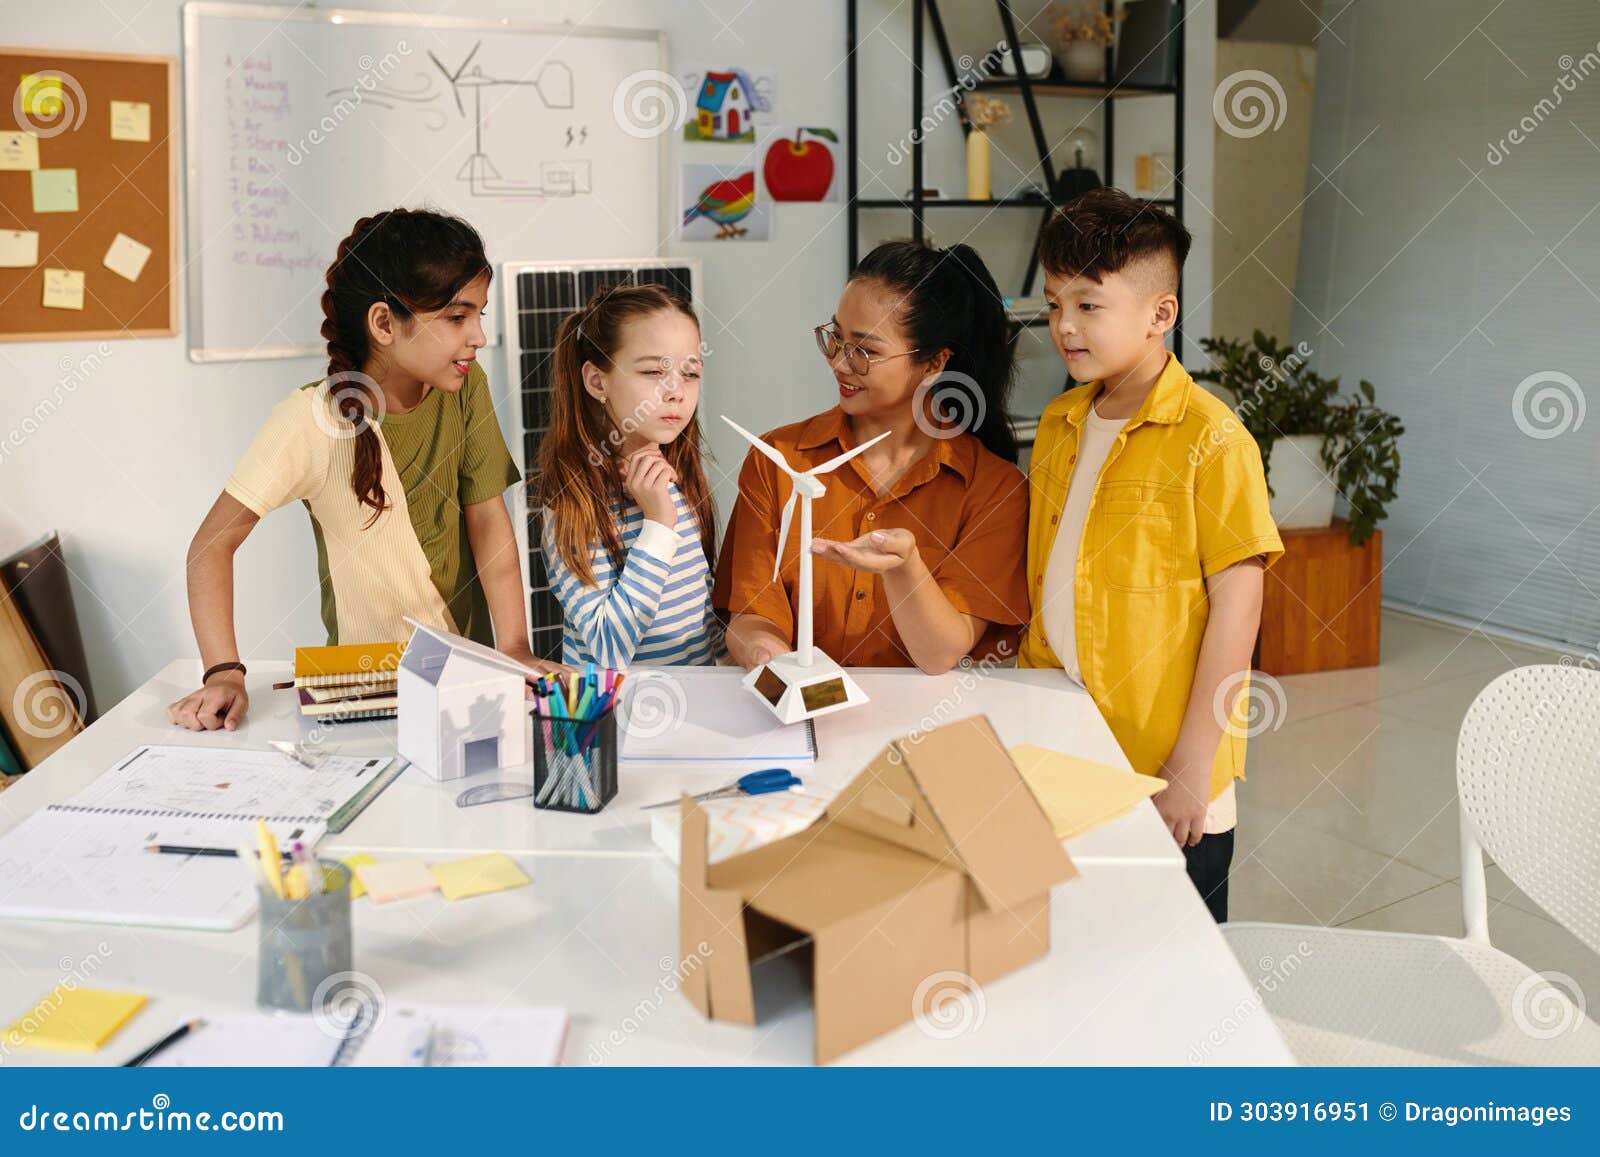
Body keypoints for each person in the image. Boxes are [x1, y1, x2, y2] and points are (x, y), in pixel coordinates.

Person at [167, 209, 558, 731]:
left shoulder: (466, 389)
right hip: (364, 699)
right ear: (383, 323)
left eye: (480, 315)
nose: (479, 336)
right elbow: (210, 546)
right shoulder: (310, 420)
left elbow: (487, 521)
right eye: (457, 317)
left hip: (468, 685)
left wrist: (513, 647)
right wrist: (224, 673)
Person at [1022, 187, 1284, 921]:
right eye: (1052, 305)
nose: (1064, 326)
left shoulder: (1213, 436)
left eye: (1088, 305)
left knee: (1173, 996)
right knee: (1073, 962)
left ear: (1159, 313)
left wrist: (1192, 764)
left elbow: (1240, 602)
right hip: (1066, 756)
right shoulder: (1060, 422)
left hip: (1165, 775)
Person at [715, 241, 1029, 674]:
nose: (840, 364)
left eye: (866, 351)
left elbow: (939, 654)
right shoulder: (777, 460)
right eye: (836, 337)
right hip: (800, 723)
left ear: (934, 362)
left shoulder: (995, 490)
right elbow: (751, 614)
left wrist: (905, 568)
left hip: (924, 729)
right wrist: (770, 659)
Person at [536, 283, 723, 668]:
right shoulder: (574, 505)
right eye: (654, 371)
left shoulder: (678, 478)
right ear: (597, 381)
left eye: (691, 373)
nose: (676, 392)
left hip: (696, 711)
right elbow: (609, 648)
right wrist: (658, 525)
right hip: (621, 719)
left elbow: (701, 620)